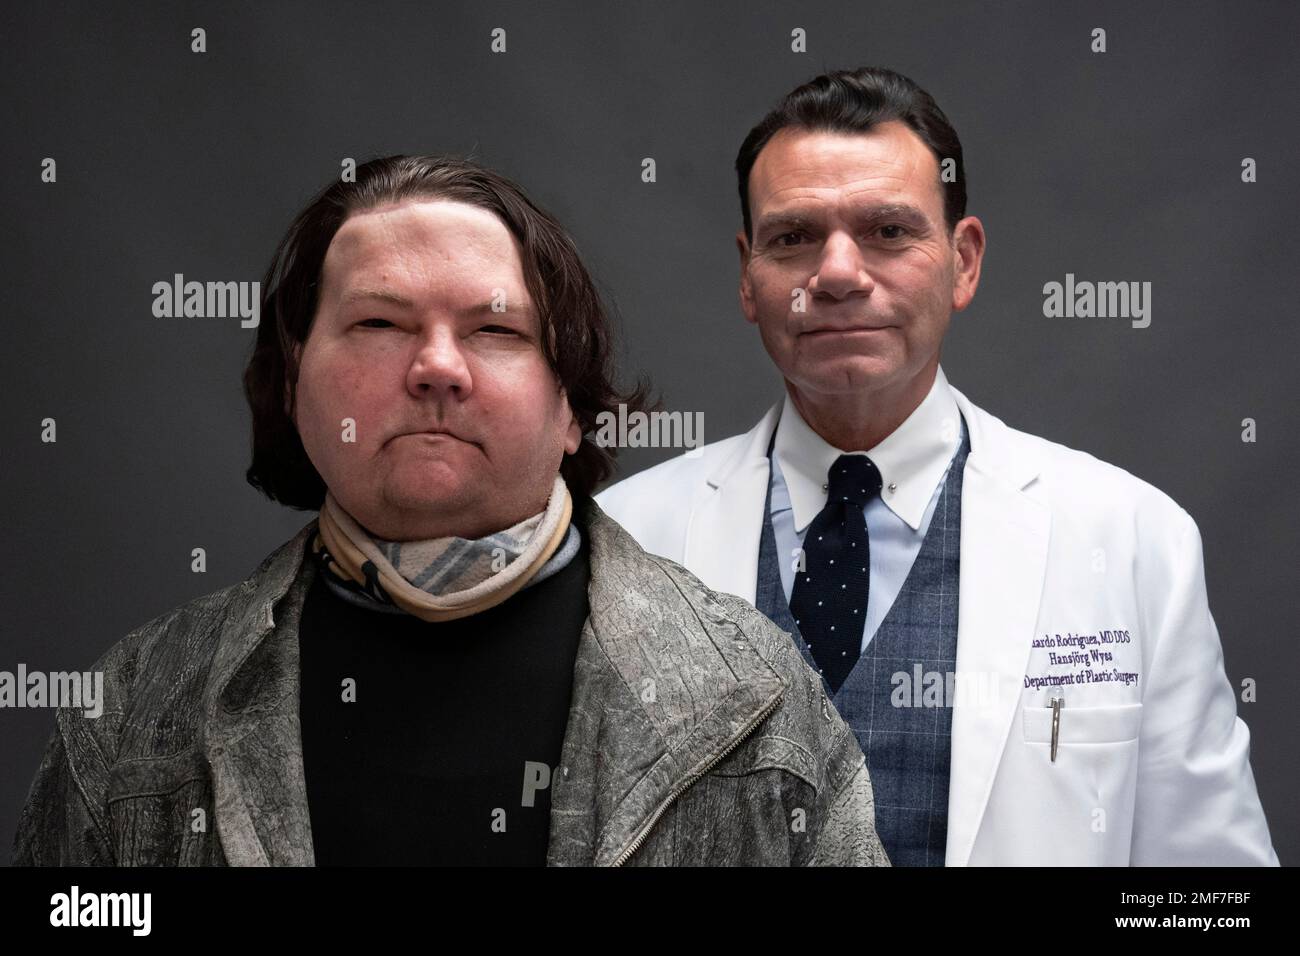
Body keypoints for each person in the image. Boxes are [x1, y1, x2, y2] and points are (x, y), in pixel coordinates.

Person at [12, 155, 887, 867]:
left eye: (495, 331)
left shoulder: (757, 700)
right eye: (380, 324)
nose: (437, 367)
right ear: (294, 382)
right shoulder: (133, 713)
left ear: (571, 405)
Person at [597, 67, 1278, 866]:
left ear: (964, 261)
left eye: (888, 231)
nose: (840, 274)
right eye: (794, 237)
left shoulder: (1131, 539)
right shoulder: (626, 538)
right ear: (749, 276)